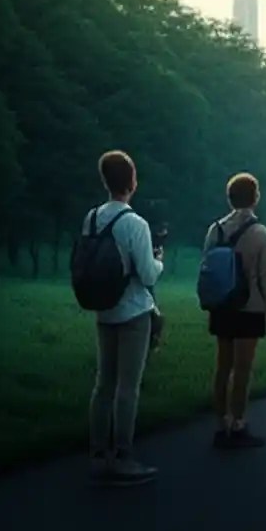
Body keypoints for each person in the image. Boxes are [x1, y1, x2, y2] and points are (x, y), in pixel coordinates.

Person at [83, 151, 164, 485]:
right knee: (127, 388)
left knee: (103, 383)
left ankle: (99, 452)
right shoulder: (135, 223)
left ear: (105, 181)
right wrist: (160, 259)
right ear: (132, 181)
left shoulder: (91, 218)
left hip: (104, 309)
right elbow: (147, 275)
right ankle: (124, 457)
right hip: (133, 312)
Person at [205, 172, 266, 450]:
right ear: (256, 198)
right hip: (250, 307)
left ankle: (220, 423)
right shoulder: (260, 233)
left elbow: (208, 267)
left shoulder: (216, 230)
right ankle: (239, 423)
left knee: (223, 366)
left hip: (222, 304)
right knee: (243, 368)